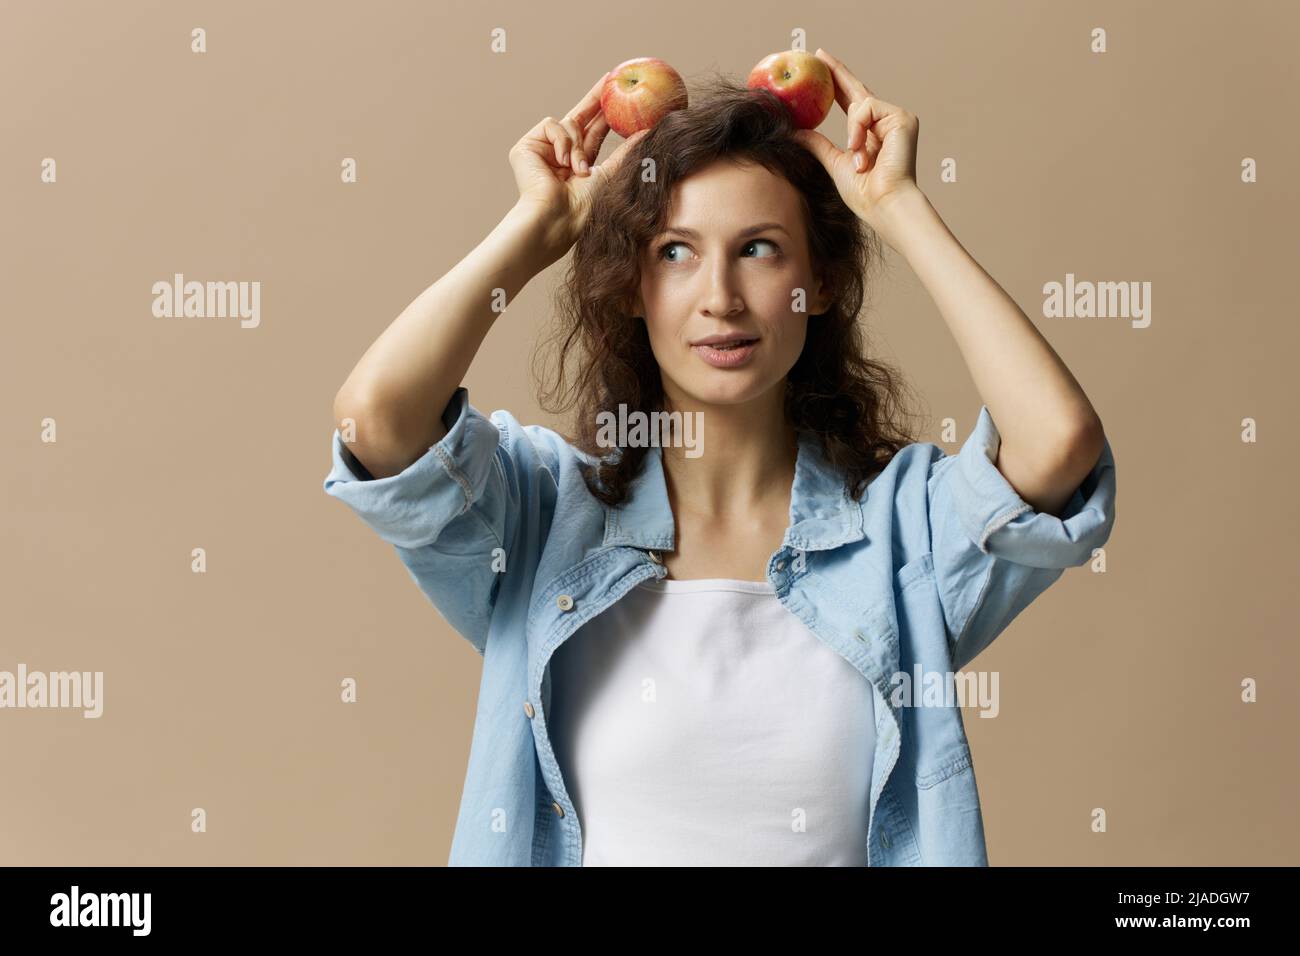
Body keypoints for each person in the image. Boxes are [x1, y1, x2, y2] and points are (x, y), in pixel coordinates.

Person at [323, 47, 1117, 866]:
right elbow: (375, 422)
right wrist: (537, 228)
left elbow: (1057, 442)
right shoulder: (544, 516)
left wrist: (896, 205)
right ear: (631, 285)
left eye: (761, 248)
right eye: (674, 252)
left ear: (824, 279)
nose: (720, 297)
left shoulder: (901, 534)